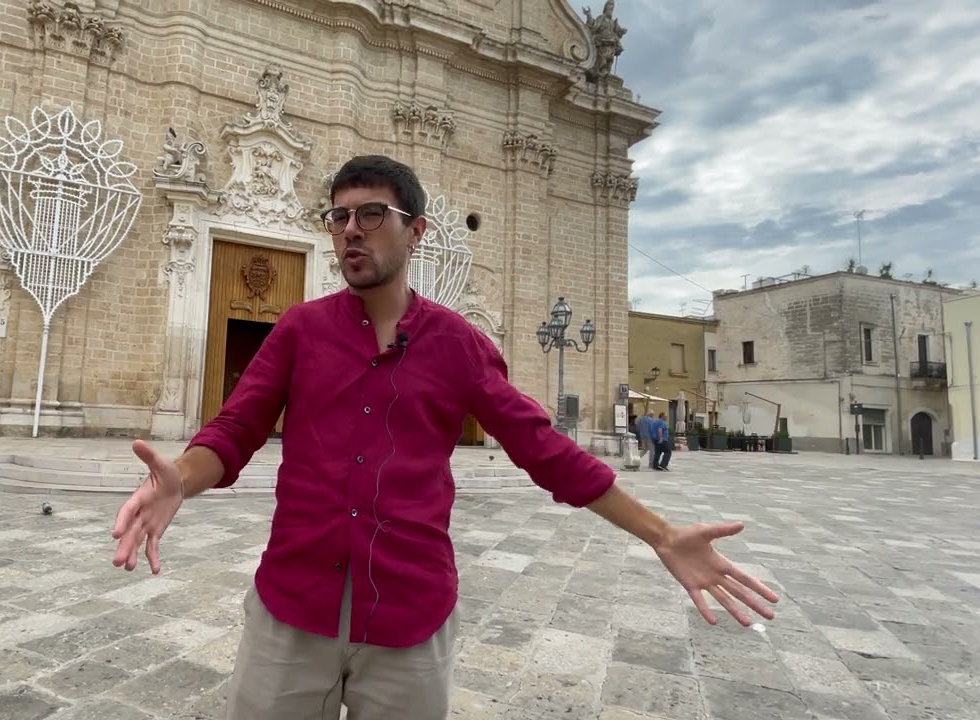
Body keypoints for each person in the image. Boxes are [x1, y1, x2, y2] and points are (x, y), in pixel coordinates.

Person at [111, 155, 778, 719]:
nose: (351, 231)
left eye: (371, 215)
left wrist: (661, 533)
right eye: (339, 217)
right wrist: (182, 476)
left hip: (408, 619)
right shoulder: (299, 331)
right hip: (292, 610)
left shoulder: (459, 345)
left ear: (416, 231)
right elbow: (234, 430)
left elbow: (544, 451)